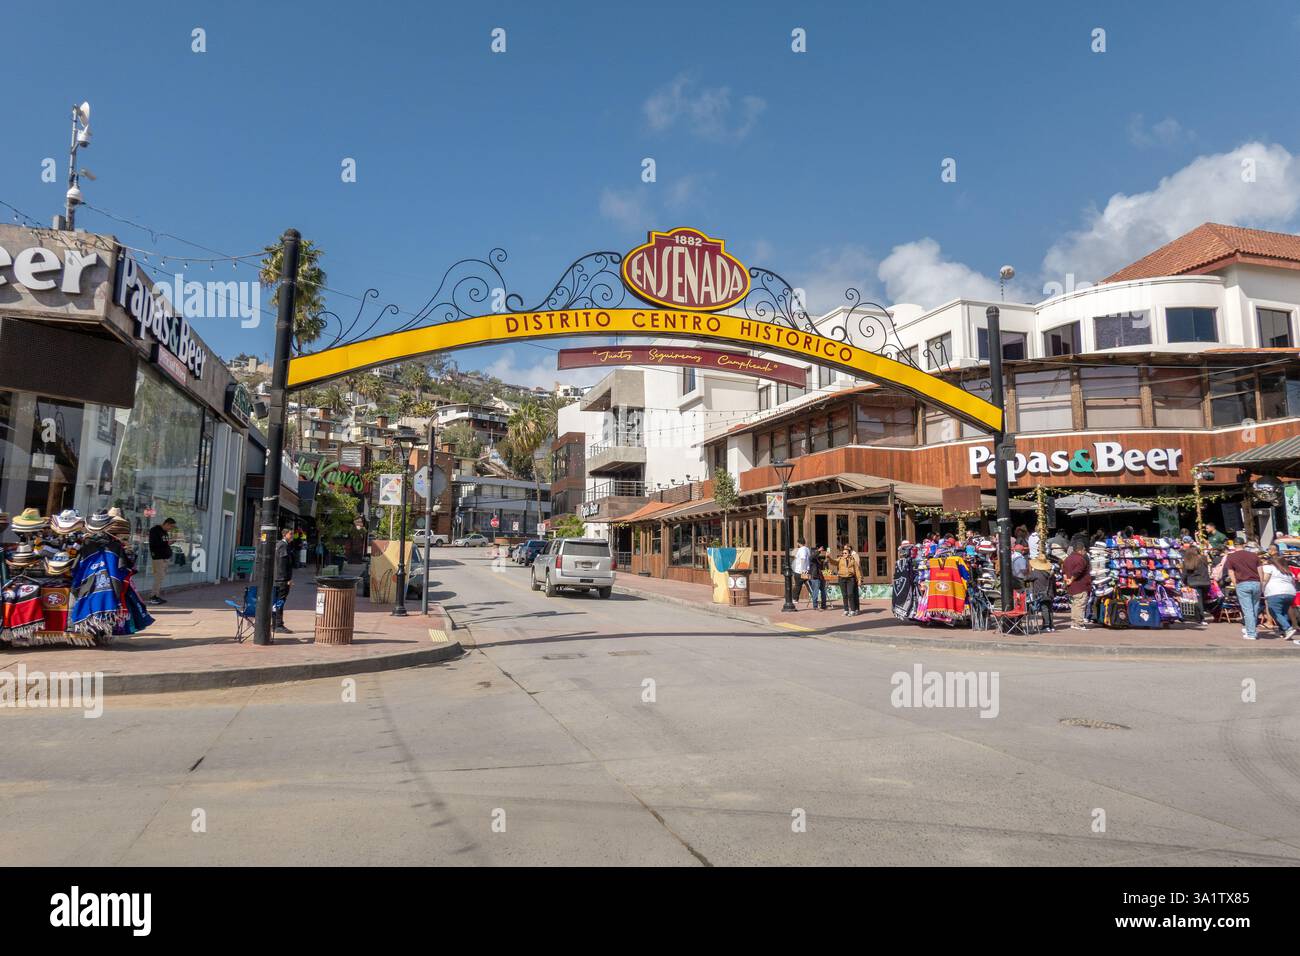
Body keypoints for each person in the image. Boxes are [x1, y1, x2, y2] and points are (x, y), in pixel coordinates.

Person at [1224, 540, 1262, 640]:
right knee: (1255, 608)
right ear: (1244, 545)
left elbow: (1231, 572)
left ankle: (1251, 633)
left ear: (1234, 546)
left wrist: (1235, 584)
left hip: (1242, 583)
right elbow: (1260, 570)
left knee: (1248, 610)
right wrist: (1261, 582)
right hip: (1256, 583)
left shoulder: (1231, 557)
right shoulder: (1254, 555)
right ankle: (1252, 629)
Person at [1259, 555, 1298, 641]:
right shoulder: (1287, 571)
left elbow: (1265, 579)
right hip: (1290, 593)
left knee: (1274, 611)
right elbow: (1293, 582)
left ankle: (1288, 628)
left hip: (1275, 592)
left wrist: (1261, 589)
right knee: (1283, 612)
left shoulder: (1269, 568)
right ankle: (1283, 631)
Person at [1061, 541, 1092, 631]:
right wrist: (1071, 579)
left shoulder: (1067, 558)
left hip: (1071, 587)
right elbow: (1077, 571)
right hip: (1080, 586)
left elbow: (1063, 570)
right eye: (1084, 550)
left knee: (1074, 604)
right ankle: (1079, 623)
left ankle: (1074, 623)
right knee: (1080, 605)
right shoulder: (1081, 559)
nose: (1085, 552)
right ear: (1080, 550)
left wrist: (1067, 579)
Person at [147, 517, 176, 605]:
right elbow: (154, 544)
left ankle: (156, 595)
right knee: (158, 577)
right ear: (166, 524)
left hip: (164, 557)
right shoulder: (155, 530)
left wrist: (169, 543)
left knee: (160, 578)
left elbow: (164, 544)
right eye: (170, 527)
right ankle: (153, 596)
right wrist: (167, 543)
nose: (171, 529)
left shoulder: (165, 532)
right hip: (158, 557)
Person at [1182, 544, 1212, 627]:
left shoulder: (1187, 561)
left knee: (1197, 601)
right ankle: (1199, 617)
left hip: (1194, 583)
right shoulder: (1203, 558)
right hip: (1205, 582)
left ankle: (1200, 619)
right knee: (1202, 600)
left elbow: (1184, 574)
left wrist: (1184, 582)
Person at [1024, 555, 1056, 632]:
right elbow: (1054, 584)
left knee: (1044, 609)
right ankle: (1051, 625)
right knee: (1050, 609)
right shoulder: (1050, 573)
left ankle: (1046, 626)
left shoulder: (1036, 572)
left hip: (1041, 594)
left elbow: (1026, 578)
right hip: (1050, 593)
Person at [273, 527, 296, 634]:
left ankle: (276, 623)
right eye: (290, 534)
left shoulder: (281, 545)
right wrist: (287, 579)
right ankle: (278, 624)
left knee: (278, 601)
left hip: (279, 578)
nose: (292, 536)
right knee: (280, 601)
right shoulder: (283, 546)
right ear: (284, 535)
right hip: (281, 579)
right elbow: (283, 564)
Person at [837, 539, 861, 616]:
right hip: (846, 577)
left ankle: (856, 609)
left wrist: (859, 578)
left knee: (853, 594)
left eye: (846, 548)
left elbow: (857, 566)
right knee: (848, 594)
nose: (845, 551)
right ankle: (849, 609)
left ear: (850, 549)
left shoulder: (854, 555)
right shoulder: (842, 558)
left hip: (853, 577)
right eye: (844, 549)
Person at [791, 537, 811, 606]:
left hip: (800, 571)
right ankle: (814, 597)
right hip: (806, 570)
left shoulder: (802, 549)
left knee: (797, 585)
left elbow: (803, 559)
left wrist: (803, 570)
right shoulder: (807, 549)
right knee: (808, 585)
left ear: (798, 543)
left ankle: (795, 599)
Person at [807, 546, 828, 611]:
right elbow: (813, 556)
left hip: (821, 577)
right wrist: (819, 550)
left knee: (823, 591)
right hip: (815, 577)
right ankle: (815, 606)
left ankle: (823, 605)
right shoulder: (811, 558)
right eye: (816, 551)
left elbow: (823, 566)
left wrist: (826, 559)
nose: (819, 553)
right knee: (815, 591)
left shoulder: (818, 559)